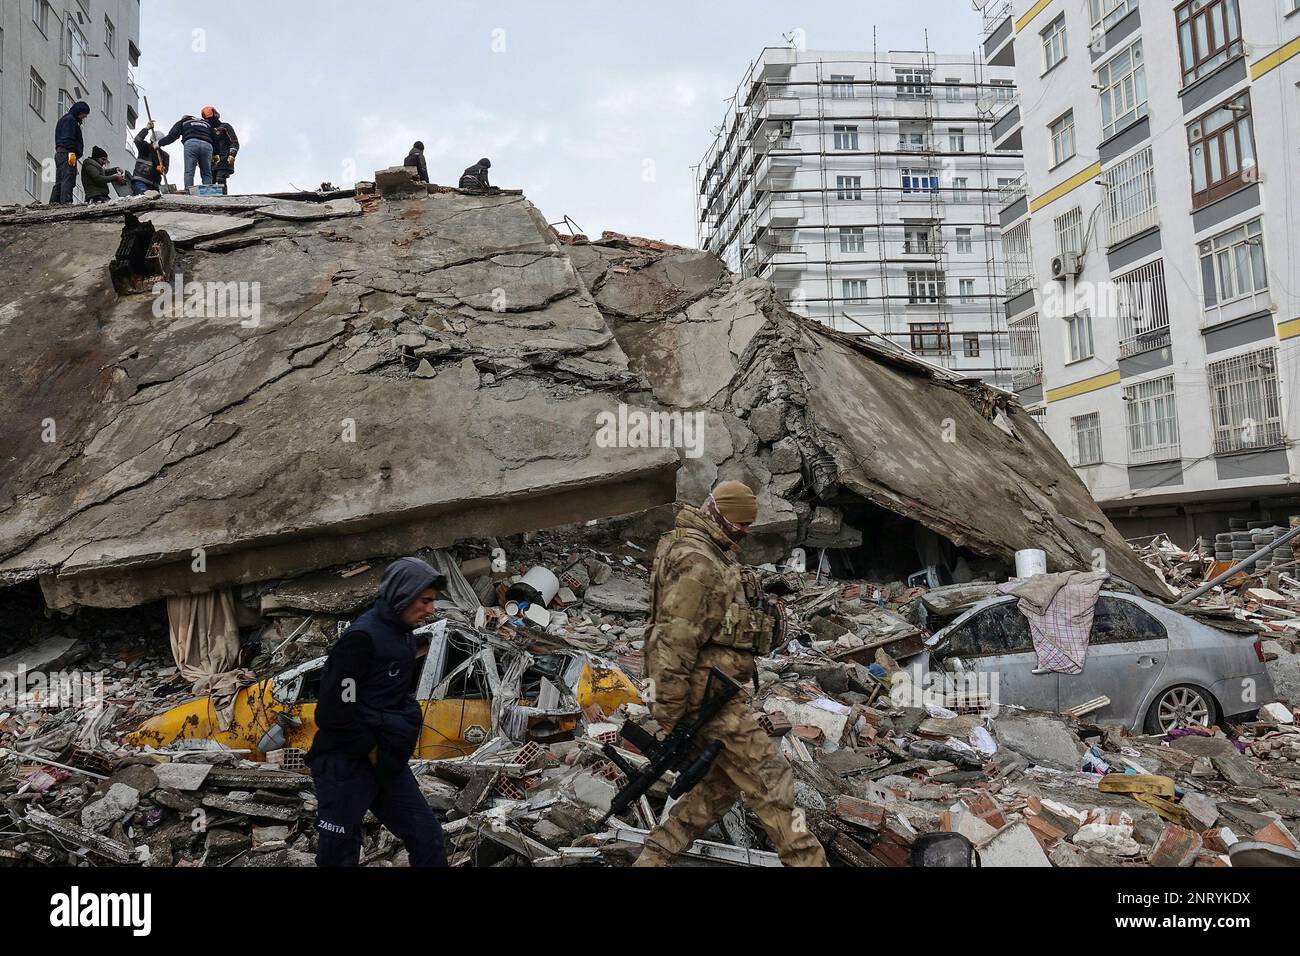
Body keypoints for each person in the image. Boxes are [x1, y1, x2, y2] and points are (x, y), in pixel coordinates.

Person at [633, 480, 828, 867]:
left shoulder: (696, 548)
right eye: (740, 526)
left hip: (713, 694)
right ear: (720, 516)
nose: (744, 533)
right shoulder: (699, 562)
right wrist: (669, 716)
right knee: (773, 782)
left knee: (720, 788)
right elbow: (671, 641)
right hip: (706, 702)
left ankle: (653, 857)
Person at [307, 557, 448, 867]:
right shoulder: (361, 639)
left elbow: (391, 698)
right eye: (425, 601)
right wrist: (369, 750)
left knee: (428, 838)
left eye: (432, 602)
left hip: (385, 762)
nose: (431, 610)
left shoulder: (404, 636)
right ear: (402, 594)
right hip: (345, 764)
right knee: (339, 855)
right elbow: (333, 712)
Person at [158, 107, 219, 188]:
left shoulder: (183, 121)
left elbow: (172, 135)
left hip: (191, 143)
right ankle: (208, 191)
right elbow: (215, 138)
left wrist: (159, 143)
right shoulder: (206, 123)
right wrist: (216, 153)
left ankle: (188, 190)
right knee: (206, 172)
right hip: (207, 145)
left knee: (189, 171)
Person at [51, 100, 91, 204]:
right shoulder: (70, 120)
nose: (84, 117)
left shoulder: (66, 119)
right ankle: (66, 202)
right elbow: (68, 139)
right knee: (69, 177)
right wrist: (74, 152)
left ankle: (55, 202)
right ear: (80, 111)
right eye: (84, 114)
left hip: (62, 153)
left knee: (61, 179)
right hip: (68, 153)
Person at [130, 122, 171, 196]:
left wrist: (162, 169)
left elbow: (165, 171)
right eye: (153, 142)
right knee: (145, 195)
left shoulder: (164, 155)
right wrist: (146, 128)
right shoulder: (145, 147)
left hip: (154, 185)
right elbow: (137, 140)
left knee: (156, 200)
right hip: (141, 181)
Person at [210, 111, 240, 191]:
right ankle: (211, 201)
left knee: (220, 178)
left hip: (224, 159)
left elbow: (234, 142)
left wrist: (232, 155)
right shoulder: (208, 129)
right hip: (212, 161)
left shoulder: (225, 127)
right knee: (209, 182)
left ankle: (223, 199)